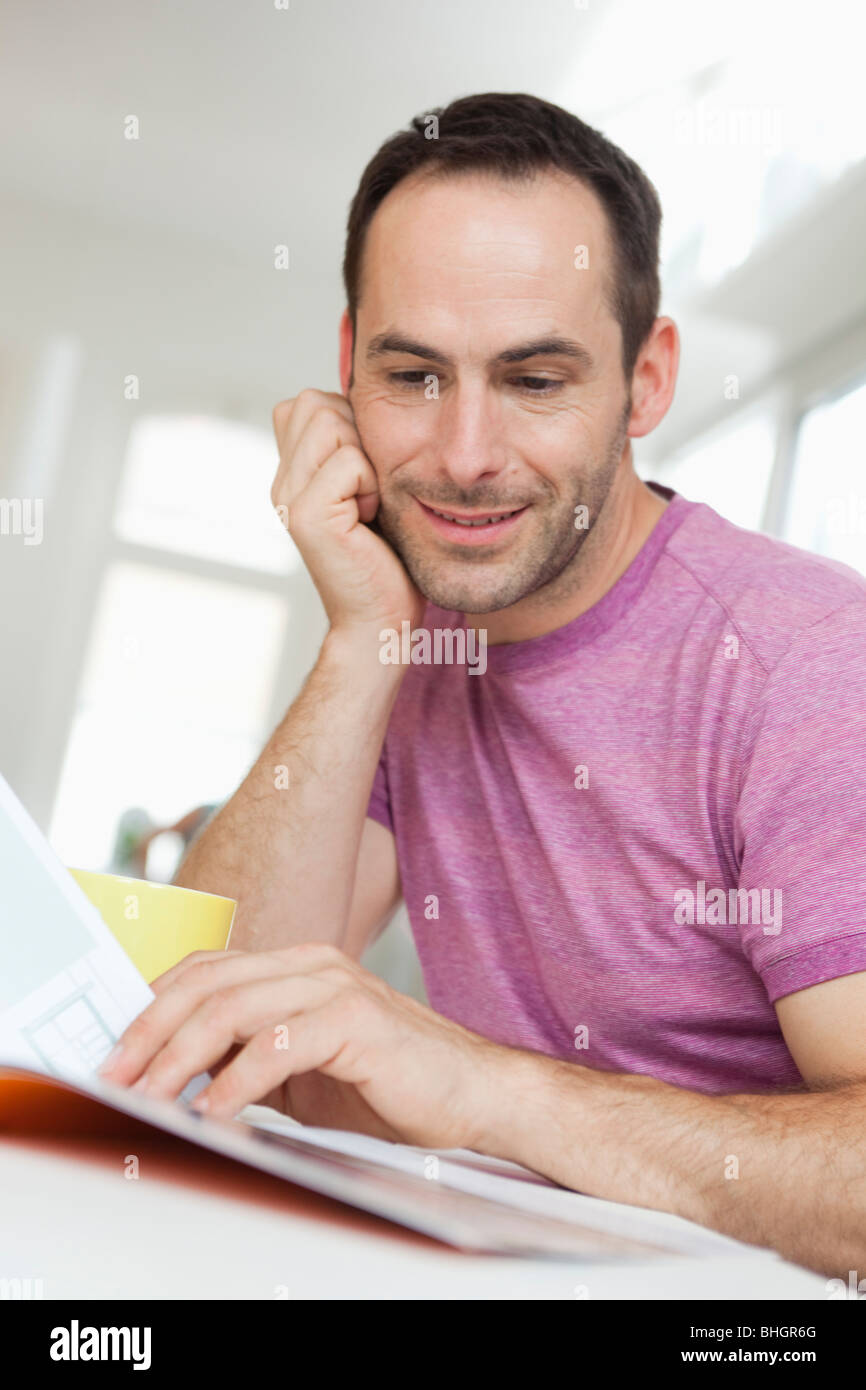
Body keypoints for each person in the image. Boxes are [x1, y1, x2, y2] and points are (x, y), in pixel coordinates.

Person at [100, 92, 866, 1276]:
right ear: (347, 366)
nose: (461, 457)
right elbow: (171, 1034)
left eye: (534, 379)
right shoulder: (416, 630)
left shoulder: (808, 664)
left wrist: (483, 1087)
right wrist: (361, 637)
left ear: (646, 380)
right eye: (412, 376)